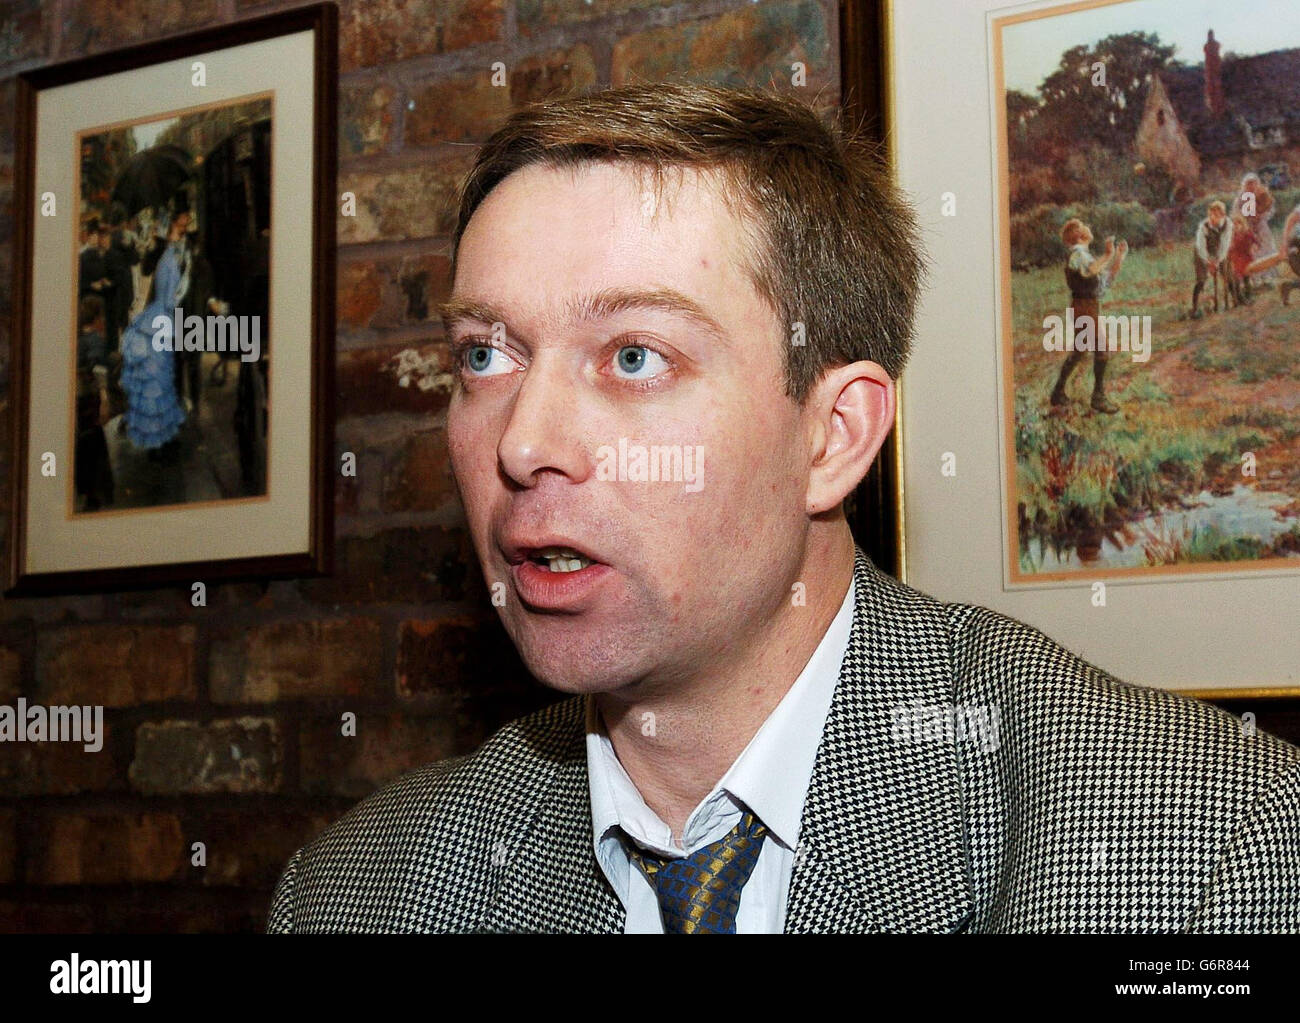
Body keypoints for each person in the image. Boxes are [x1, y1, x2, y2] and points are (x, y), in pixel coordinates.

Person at [268, 83, 1300, 934]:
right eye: (484, 356)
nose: (523, 442)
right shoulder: (357, 897)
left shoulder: (1202, 854)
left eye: (634, 356)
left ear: (833, 435)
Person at [118, 208, 189, 457]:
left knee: (154, 386)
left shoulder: (159, 258)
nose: (181, 234)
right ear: (169, 234)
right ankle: (162, 444)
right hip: (163, 321)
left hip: (150, 320)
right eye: (177, 230)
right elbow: (171, 300)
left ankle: (155, 443)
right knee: (161, 384)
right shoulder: (169, 260)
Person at [1048, 218, 1127, 413]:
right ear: (1080, 235)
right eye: (1086, 226)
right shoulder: (1078, 254)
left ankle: (1058, 392)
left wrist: (1118, 257)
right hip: (1084, 307)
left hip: (1087, 306)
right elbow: (1092, 270)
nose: (1089, 227)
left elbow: (1104, 281)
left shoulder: (1085, 256)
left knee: (1080, 350)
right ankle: (1098, 398)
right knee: (1102, 350)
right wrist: (1108, 254)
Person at [74, 295, 115, 510]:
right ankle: (94, 495)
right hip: (91, 400)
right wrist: (105, 400)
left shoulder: (78, 340)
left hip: (79, 400)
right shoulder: (96, 341)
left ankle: (87, 491)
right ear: (99, 317)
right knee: (94, 448)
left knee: (84, 446)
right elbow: (99, 370)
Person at [1233, 172, 1278, 288]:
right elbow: (1236, 214)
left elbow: (1270, 209)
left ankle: (1267, 278)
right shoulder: (1241, 198)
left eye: (1253, 183)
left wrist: (1262, 216)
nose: (1251, 186)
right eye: (1249, 184)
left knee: (1266, 251)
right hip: (1247, 229)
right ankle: (1253, 280)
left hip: (1262, 228)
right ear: (1244, 185)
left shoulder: (1263, 194)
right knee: (1251, 254)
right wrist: (1244, 221)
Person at [1191, 200, 1233, 318]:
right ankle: (1195, 307)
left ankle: (1236, 298)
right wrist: (1208, 262)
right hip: (1203, 254)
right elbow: (1201, 247)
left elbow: (1225, 244)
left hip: (1219, 252)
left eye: (1215, 216)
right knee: (1201, 279)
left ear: (1222, 216)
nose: (1212, 218)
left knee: (1228, 274)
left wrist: (1218, 261)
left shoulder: (1228, 225)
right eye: (1210, 215)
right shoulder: (1203, 227)